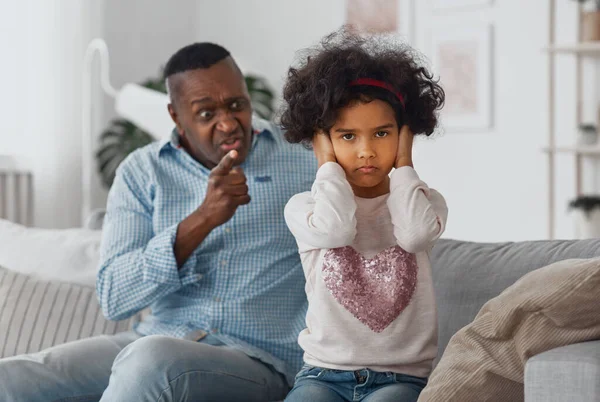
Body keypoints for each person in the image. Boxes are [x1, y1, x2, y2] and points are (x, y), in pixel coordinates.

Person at [0, 42, 316, 402]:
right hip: (155, 338)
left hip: (257, 360)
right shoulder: (142, 172)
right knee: (11, 377)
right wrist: (201, 220)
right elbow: (116, 298)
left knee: (150, 363)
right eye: (205, 113)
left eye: (236, 105)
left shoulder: (305, 160)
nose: (228, 123)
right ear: (175, 115)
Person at [279, 28, 448, 402]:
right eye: (348, 136)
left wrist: (404, 166)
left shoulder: (425, 202)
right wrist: (327, 166)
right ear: (322, 138)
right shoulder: (303, 208)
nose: (367, 151)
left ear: (406, 134)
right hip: (322, 375)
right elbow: (336, 230)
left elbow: (415, 237)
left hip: (402, 379)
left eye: (383, 134)